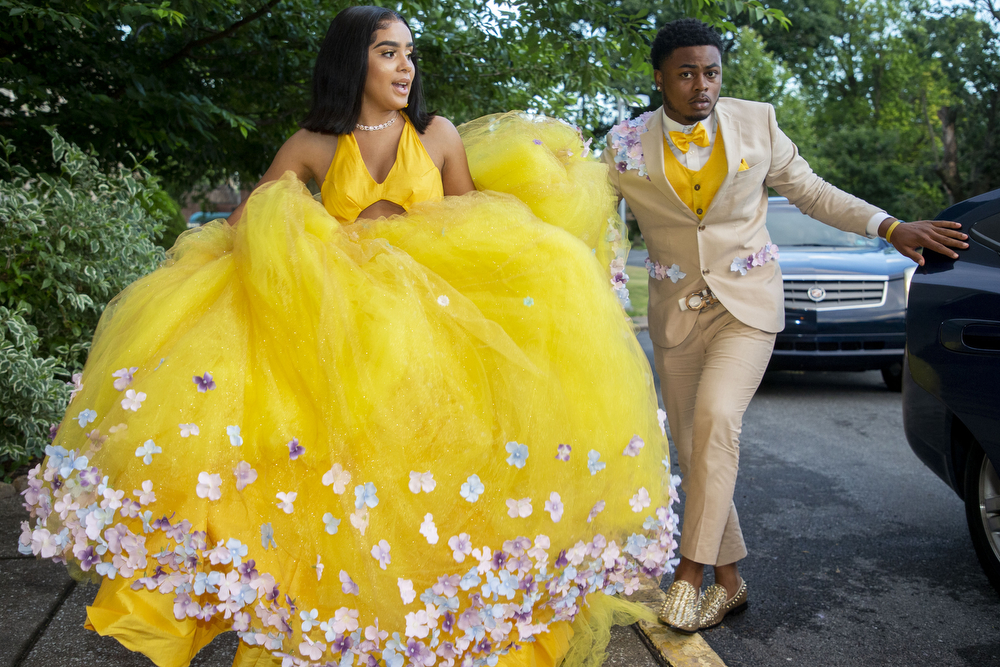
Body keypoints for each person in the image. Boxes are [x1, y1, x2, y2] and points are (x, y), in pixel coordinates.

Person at [20, 6, 679, 667]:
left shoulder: (439, 135)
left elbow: (482, 224)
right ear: (352, 62)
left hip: (433, 318)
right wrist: (297, 234)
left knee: (438, 466)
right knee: (338, 471)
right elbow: (249, 219)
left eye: (409, 54)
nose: (405, 66)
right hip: (340, 327)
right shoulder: (315, 142)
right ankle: (338, 613)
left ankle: (439, 612)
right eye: (388, 52)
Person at [602, 18, 968, 634]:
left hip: (748, 305)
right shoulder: (623, 144)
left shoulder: (757, 122)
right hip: (675, 313)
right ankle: (731, 581)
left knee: (719, 419)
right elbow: (596, 220)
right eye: (687, 73)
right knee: (695, 451)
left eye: (711, 72)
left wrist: (889, 226)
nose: (701, 85)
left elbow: (813, 193)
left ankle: (689, 577)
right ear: (660, 76)